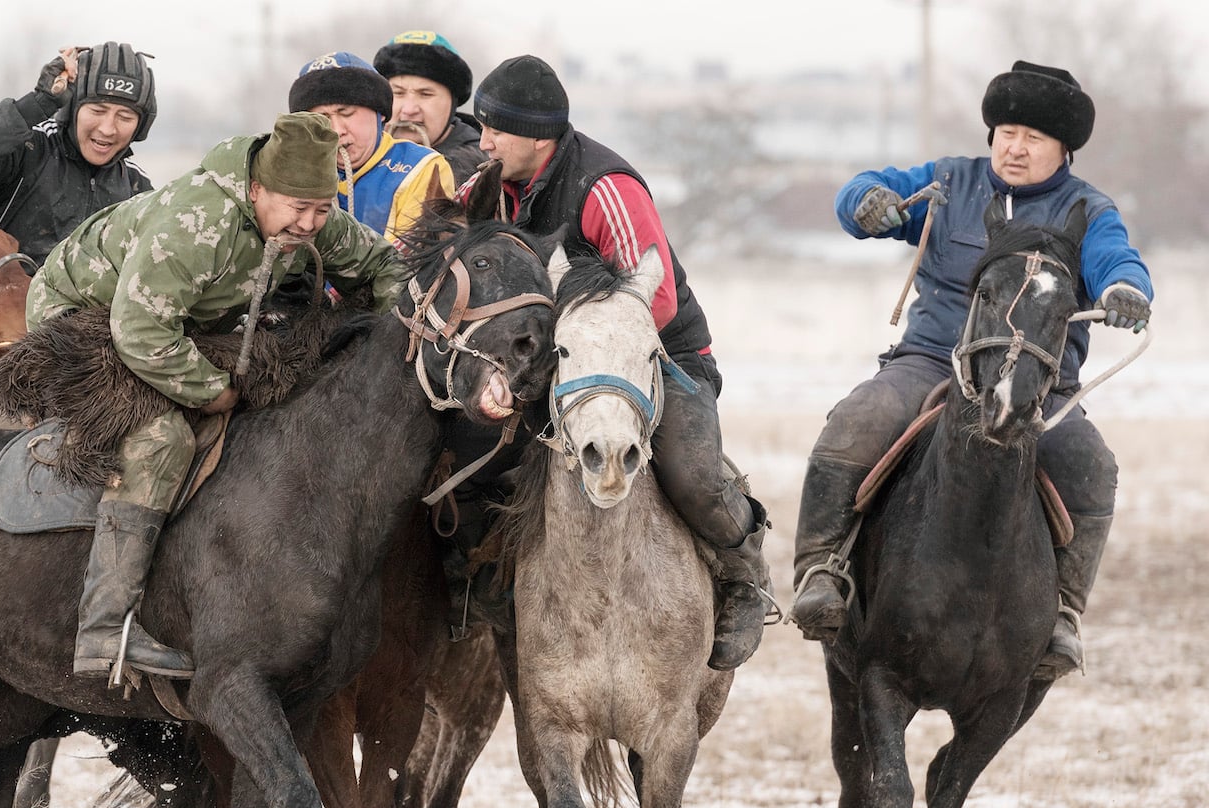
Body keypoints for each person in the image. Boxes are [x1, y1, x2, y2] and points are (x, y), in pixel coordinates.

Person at [793, 60, 1150, 681]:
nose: (1015, 147)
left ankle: (1063, 611)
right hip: (934, 359)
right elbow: (865, 189)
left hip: (1038, 382)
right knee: (858, 418)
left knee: (1092, 465)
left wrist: (1124, 288)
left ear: (1064, 150)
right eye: (1007, 132)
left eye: (1034, 138)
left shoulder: (1088, 211)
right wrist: (866, 201)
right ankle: (821, 569)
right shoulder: (947, 183)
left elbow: (1119, 261)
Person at [28, 112, 408, 678]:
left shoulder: (307, 213)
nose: (307, 224)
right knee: (162, 439)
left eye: (321, 211)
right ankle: (104, 629)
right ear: (257, 189)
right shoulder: (196, 222)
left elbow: (383, 265)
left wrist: (394, 341)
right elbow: (140, 330)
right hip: (83, 317)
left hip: (185, 320)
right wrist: (212, 392)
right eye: (296, 209)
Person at [456, 55, 771, 671]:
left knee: (689, 471)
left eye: (495, 130)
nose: (482, 140)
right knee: (463, 448)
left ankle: (742, 573)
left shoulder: (606, 188)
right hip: (548, 360)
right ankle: (476, 582)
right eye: (482, 127)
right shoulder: (484, 186)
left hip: (658, 351)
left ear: (539, 138)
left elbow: (650, 295)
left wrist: (557, 341)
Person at [0, 41, 156, 266]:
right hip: (7, 296)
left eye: (125, 117)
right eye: (97, 111)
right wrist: (40, 102)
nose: (108, 128)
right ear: (73, 109)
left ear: (141, 125)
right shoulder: (29, 149)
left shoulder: (136, 188)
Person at [288, 52, 453, 243]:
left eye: (347, 113)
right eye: (322, 119)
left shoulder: (420, 168)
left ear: (380, 113)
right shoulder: (292, 170)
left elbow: (407, 262)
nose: (336, 130)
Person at [372, 30, 485, 182]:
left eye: (425, 94)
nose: (409, 110)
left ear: (453, 103)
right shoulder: (354, 156)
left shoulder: (478, 172)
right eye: (398, 93)